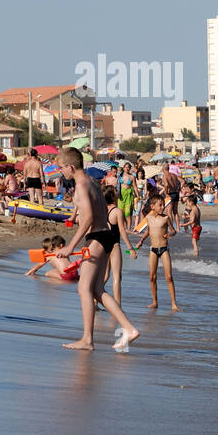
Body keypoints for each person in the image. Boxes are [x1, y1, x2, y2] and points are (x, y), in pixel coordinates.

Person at [53, 148, 141, 350]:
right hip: (106, 237)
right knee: (97, 289)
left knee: (83, 288)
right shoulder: (92, 181)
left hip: (97, 238)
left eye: (61, 168)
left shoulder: (82, 185)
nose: (61, 172)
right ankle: (129, 328)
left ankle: (87, 339)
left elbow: (90, 218)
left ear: (71, 167)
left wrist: (70, 247)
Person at [134, 196, 180, 310]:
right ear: (152, 206)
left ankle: (174, 304)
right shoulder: (149, 218)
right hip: (153, 249)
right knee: (152, 277)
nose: (163, 207)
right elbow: (148, 231)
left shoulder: (165, 218)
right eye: (160, 205)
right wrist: (141, 241)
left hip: (164, 249)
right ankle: (155, 302)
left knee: (169, 277)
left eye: (163, 204)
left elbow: (173, 231)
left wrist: (170, 234)